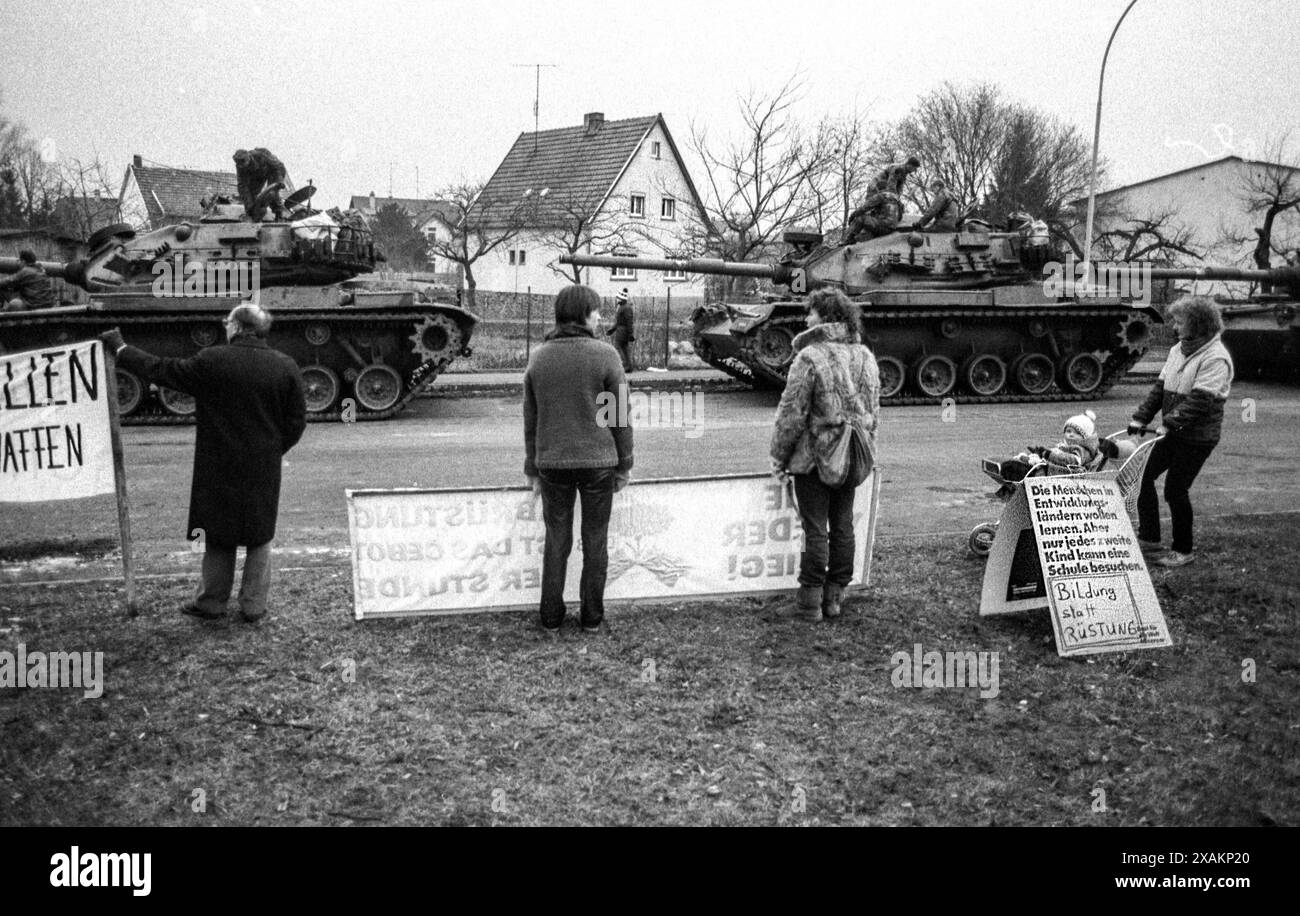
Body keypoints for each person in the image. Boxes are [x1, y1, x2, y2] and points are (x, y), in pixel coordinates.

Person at [100, 304, 306, 621]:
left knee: (218, 533)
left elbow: (161, 369)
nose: (225, 326)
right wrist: (272, 450)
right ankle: (253, 605)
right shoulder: (286, 365)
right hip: (263, 464)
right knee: (260, 534)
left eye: (227, 322)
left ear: (237, 327)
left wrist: (122, 349)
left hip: (218, 462)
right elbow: (296, 422)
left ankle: (211, 603)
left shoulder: (213, 360)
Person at [524, 284, 634, 632]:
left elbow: (531, 417)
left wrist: (532, 467)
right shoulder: (605, 355)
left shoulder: (539, 357)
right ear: (584, 314)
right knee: (595, 539)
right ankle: (591, 618)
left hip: (552, 463)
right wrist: (625, 462)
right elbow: (618, 416)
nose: (601, 316)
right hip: (599, 463)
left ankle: (551, 617)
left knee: (557, 539)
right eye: (597, 310)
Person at [770, 288, 881, 621]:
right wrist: (865, 448)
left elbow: (792, 413)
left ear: (826, 318)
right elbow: (874, 412)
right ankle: (834, 599)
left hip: (814, 457)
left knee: (815, 529)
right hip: (852, 454)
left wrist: (779, 456)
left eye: (811, 313)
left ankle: (808, 604)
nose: (806, 318)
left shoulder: (810, 356)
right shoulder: (866, 355)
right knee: (843, 526)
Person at [1130, 296, 1234, 568]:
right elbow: (1160, 389)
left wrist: (1170, 423)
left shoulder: (1216, 357)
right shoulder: (1178, 349)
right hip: (1173, 433)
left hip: (1198, 438)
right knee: (1143, 478)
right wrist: (1141, 417)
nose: (1175, 327)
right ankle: (1150, 538)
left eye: (1179, 322)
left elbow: (1200, 401)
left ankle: (1183, 550)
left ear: (1198, 325)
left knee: (1176, 490)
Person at [996, 409, 1103, 493]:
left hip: (1063, 475)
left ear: (1084, 437)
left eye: (1076, 433)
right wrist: (1041, 452)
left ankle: (1014, 478)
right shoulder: (1064, 446)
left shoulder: (1082, 450)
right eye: (1068, 431)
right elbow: (1056, 453)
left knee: (1022, 470)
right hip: (1055, 470)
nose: (1070, 434)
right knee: (1022, 464)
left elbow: (1073, 461)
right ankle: (1018, 469)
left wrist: (1048, 454)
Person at [606, 287, 636, 372]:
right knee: (624, 348)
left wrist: (630, 334)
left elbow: (629, 322)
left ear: (622, 298)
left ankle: (625, 366)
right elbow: (619, 321)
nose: (617, 299)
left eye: (618, 297)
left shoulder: (625, 308)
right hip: (622, 330)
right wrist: (612, 330)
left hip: (622, 332)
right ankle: (628, 367)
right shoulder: (624, 307)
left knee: (618, 348)